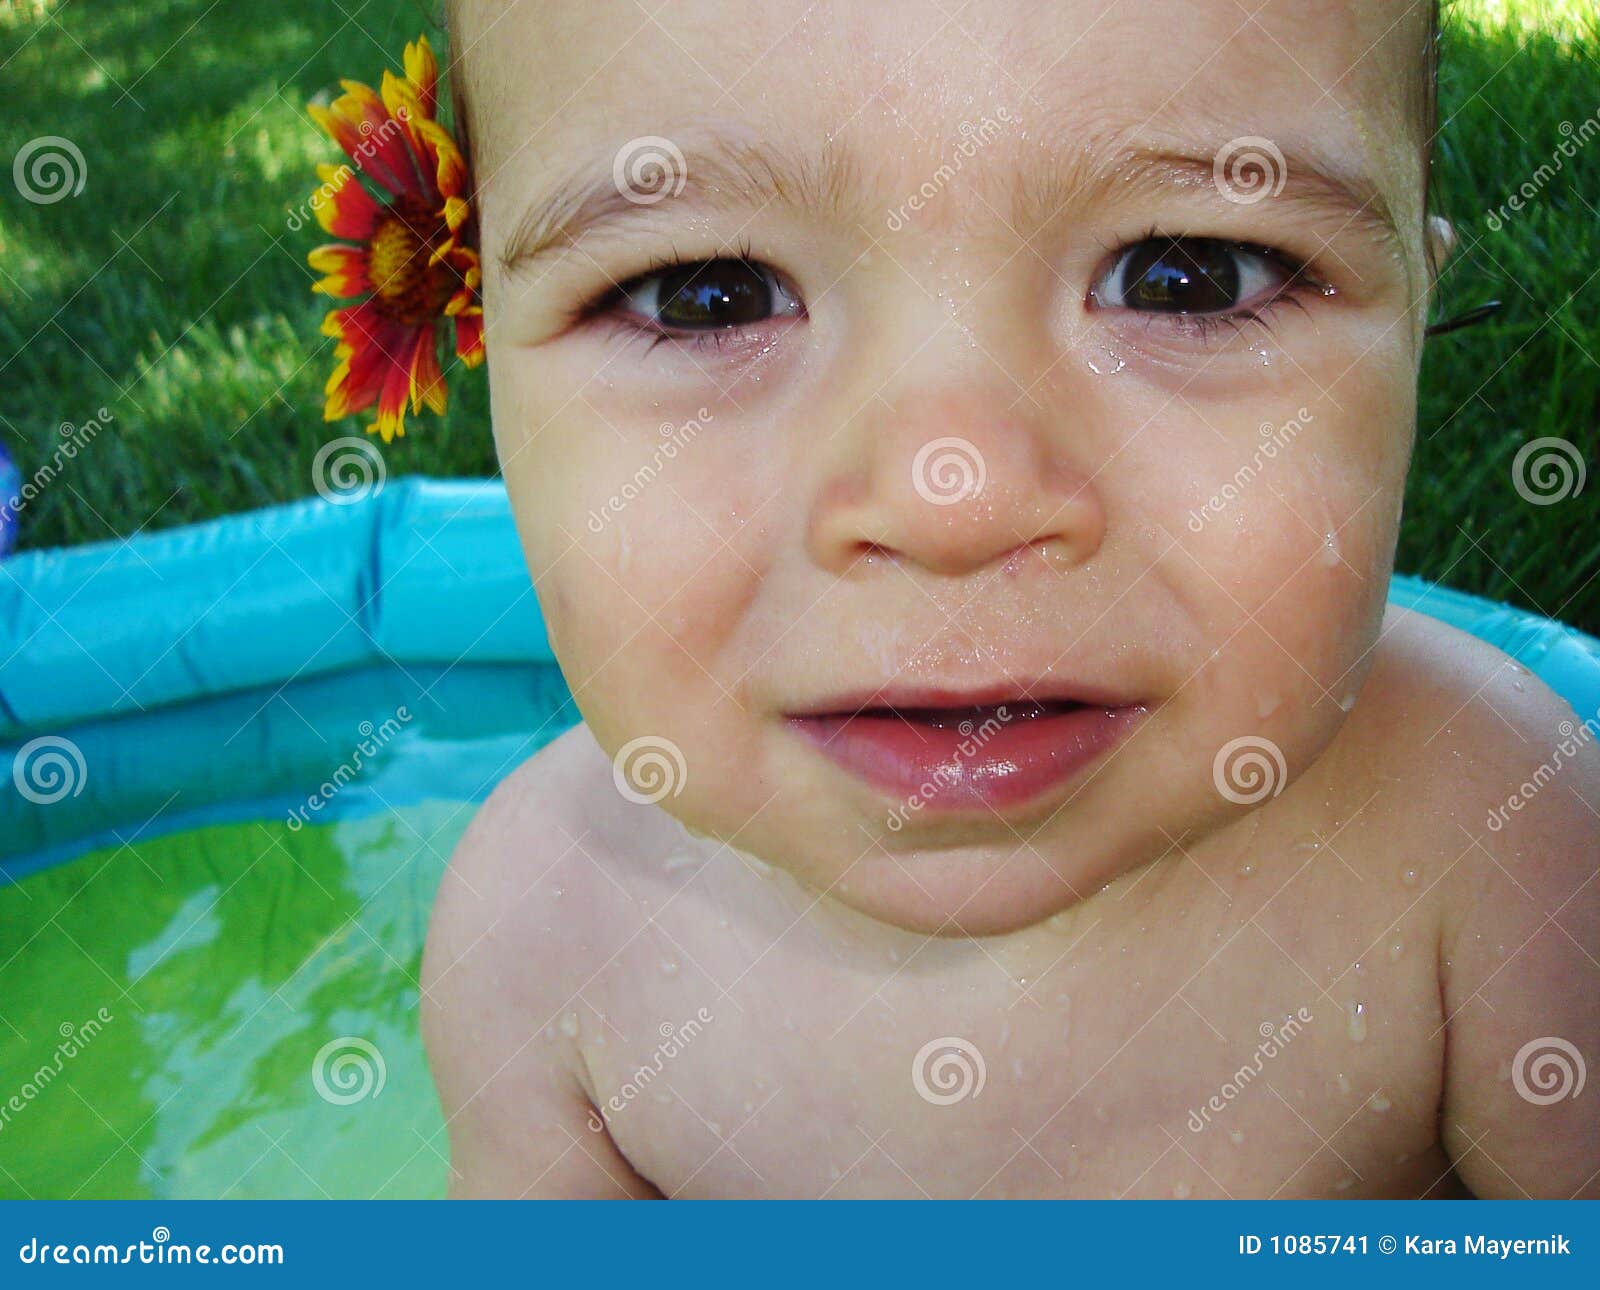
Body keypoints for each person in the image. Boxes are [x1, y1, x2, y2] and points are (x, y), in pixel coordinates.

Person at [421, 0, 1599, 1198]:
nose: (958, 500)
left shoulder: (1499, 840)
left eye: (1183, 280)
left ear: (1413, 326)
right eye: (704, 294)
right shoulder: (538, 939)